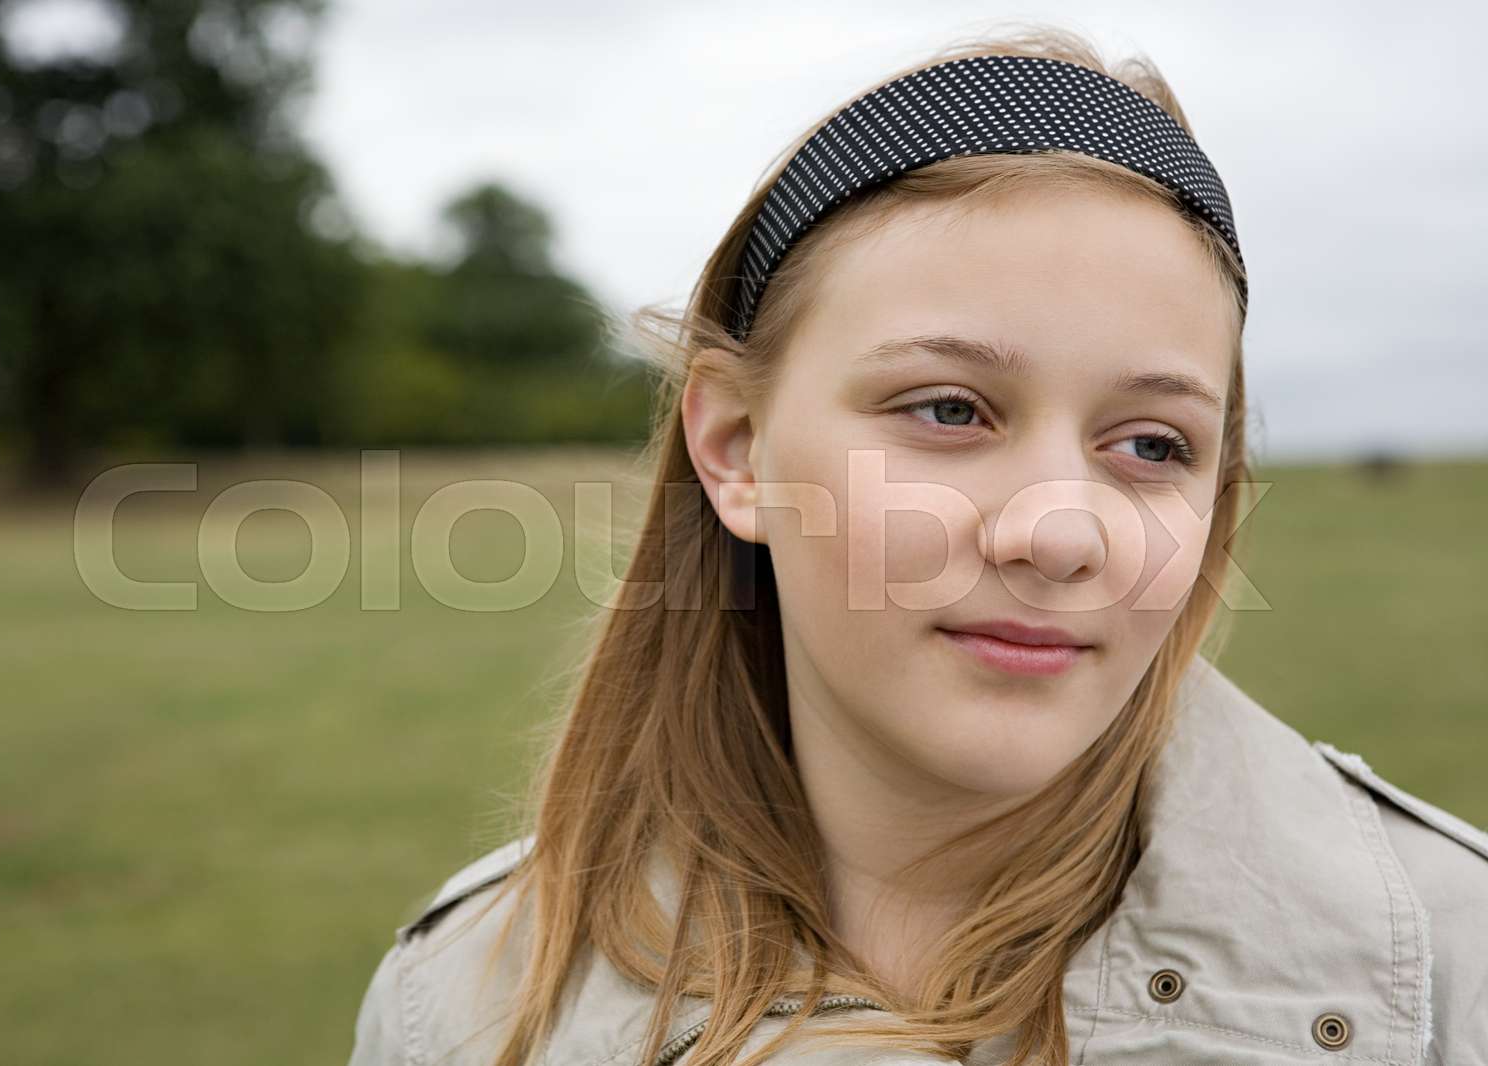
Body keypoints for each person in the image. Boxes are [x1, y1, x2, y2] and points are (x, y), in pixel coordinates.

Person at [346, 24, 1488, 1066]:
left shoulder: (1450, 975)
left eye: (1150, 442)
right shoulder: (458, 1008)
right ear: (735, 446)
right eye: (948, 410)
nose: (1056, 531)